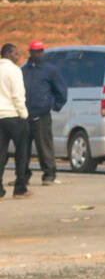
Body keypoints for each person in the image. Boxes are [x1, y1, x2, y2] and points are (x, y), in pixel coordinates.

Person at [21, 40, 67, 186]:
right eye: (35, 51)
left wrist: (54, 105)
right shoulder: (23, 70)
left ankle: (49, 174)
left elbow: (61, 91)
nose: (38, 53)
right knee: (23, 148)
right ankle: (22, 176)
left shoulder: (50, 70)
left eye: (41, 51)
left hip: (42, 115)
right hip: (24, 115)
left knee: (44, 147)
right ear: (30, 52)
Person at [0, 43, 31, 199]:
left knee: (1, 153)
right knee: (22, 152)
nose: (18, 57)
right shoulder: (14, 71)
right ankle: (20, 187)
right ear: (7, 53)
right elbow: (18, 95)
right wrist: (24, 114)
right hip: (14, 115)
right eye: (15, 54)